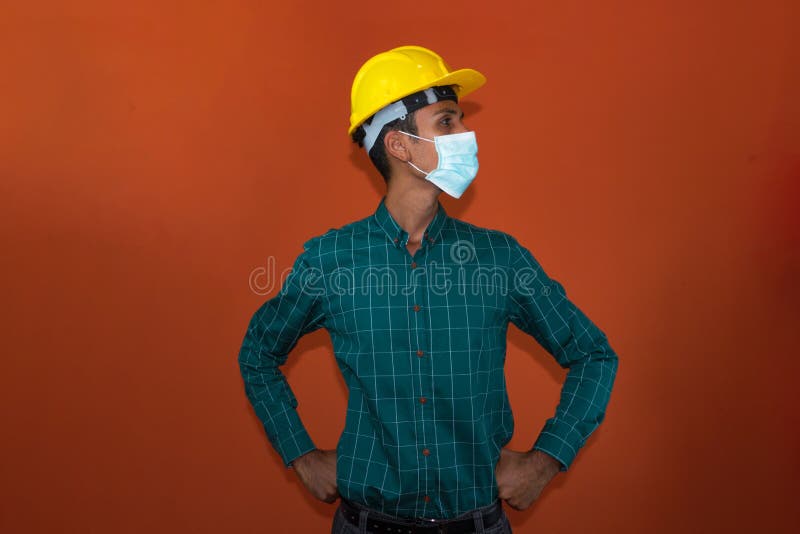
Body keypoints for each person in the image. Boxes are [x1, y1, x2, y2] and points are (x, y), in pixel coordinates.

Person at [238, 45, 619, 534]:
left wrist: (547, 458)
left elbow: (593, 354)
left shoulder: (499, 258)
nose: (467, 135)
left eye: (460, 120)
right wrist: (300, 454)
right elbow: (258, 353)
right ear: (399, 145)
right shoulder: (330, 259)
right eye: (447, 122)